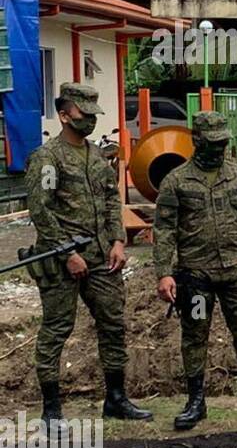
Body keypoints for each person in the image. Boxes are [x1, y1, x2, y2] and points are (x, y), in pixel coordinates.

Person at [25, 82, 152, 426]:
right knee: (56, 329)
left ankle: (116, 399)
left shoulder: (96, 155)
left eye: (94, 115)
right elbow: (41, 209)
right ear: (65, 115)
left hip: (101, 258)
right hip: (61, 260)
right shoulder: (47, 159)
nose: (91, 121)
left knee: (113, 325)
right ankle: (52, 410)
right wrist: (67, 253)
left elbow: (112, 200)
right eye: (84, 114)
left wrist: (118, 242)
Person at [154, 111, 237, 431]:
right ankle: (196, 401)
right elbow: (165, 229)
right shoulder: (177, 181)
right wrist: (164, 272)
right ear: (196, 141)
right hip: (198, 277)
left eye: (224, 142)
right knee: (195, 336)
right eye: (213, 142)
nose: (219, 148)